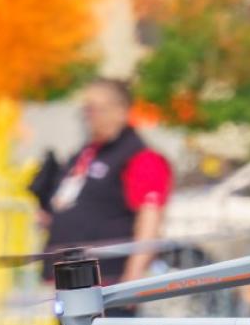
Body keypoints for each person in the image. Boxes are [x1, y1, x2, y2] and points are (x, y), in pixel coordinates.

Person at [29, 77, 173, 284]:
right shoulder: (86, 153)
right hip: (69, 279)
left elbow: (149, 224)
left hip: (108, 281)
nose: (89, 117)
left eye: (95, 109)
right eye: (86, 110)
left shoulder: (141, 158)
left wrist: (132, 280)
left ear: (120, 110)